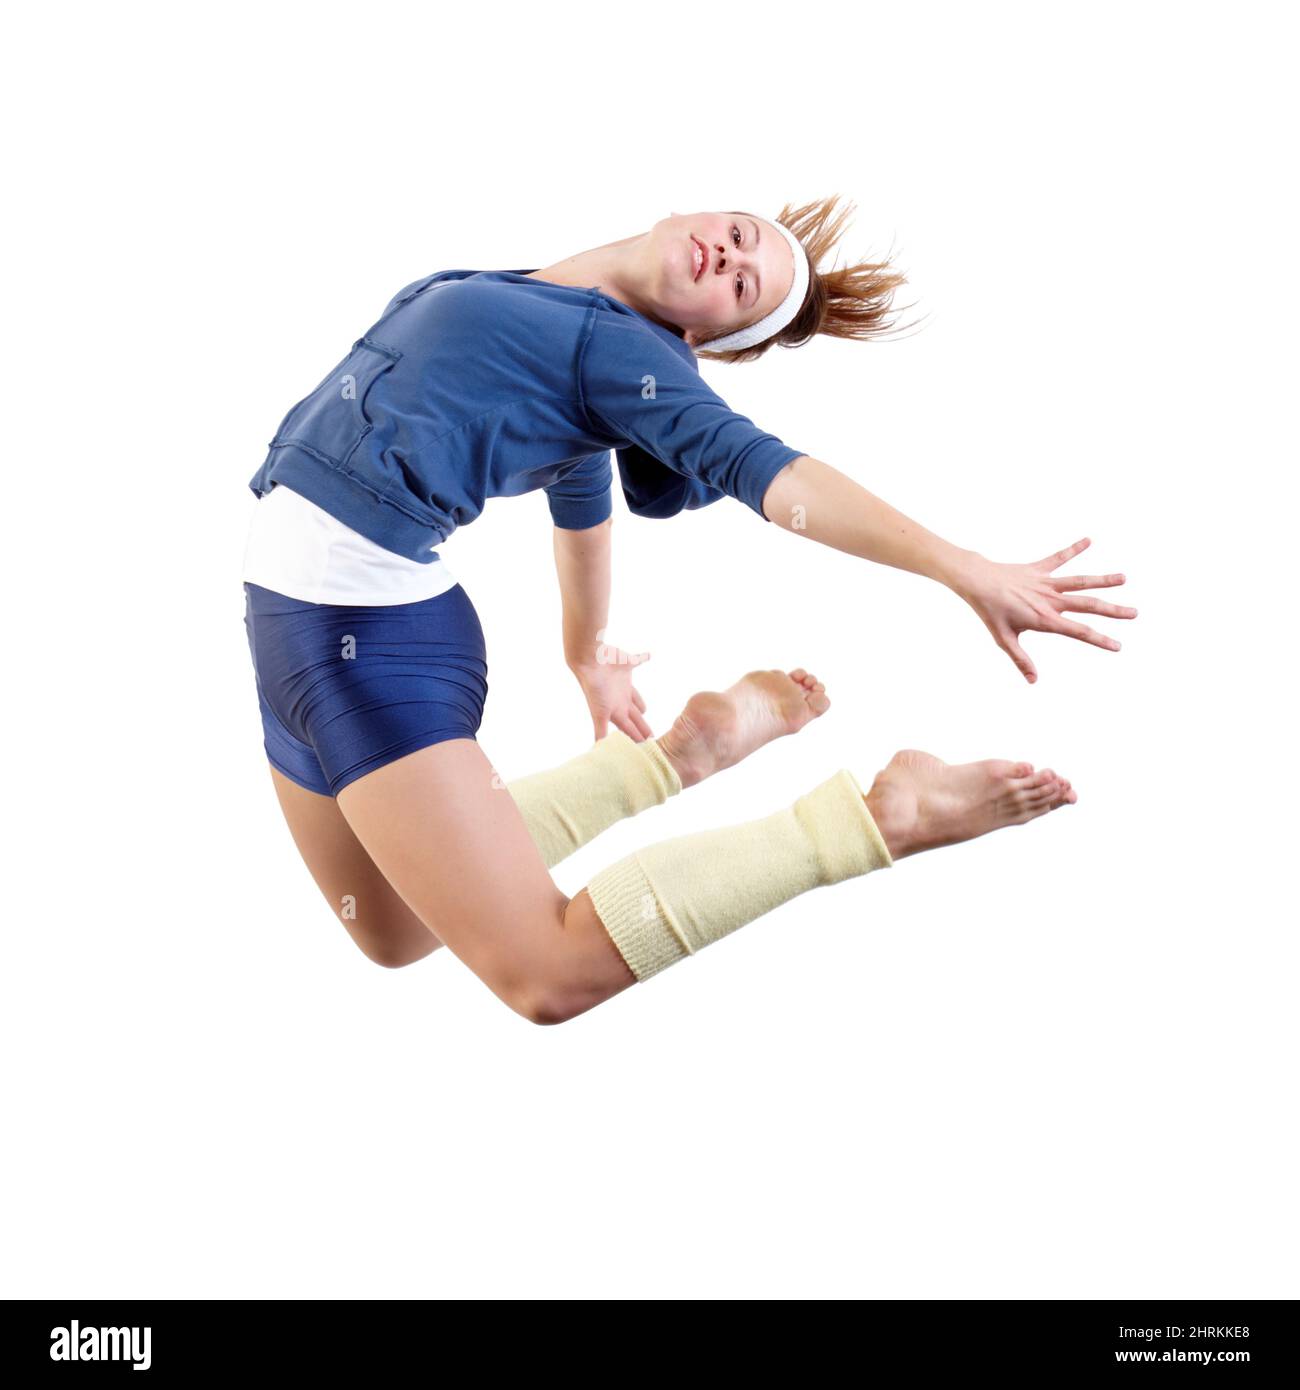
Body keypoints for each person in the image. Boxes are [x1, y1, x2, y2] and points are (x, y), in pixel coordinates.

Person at [241, 196, 1135, 1022]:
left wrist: (962, 566)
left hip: (370, 640)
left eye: (743, 289)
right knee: (393, 929)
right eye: (742, 236)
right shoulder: (541, 299)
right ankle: (672, 759)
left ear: (711, 339)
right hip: (286, 627)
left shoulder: (625, 351)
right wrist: (587, 651)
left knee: (545, 974)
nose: (727, 257)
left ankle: (876, 820)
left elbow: (778, 476)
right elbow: (582, 494)